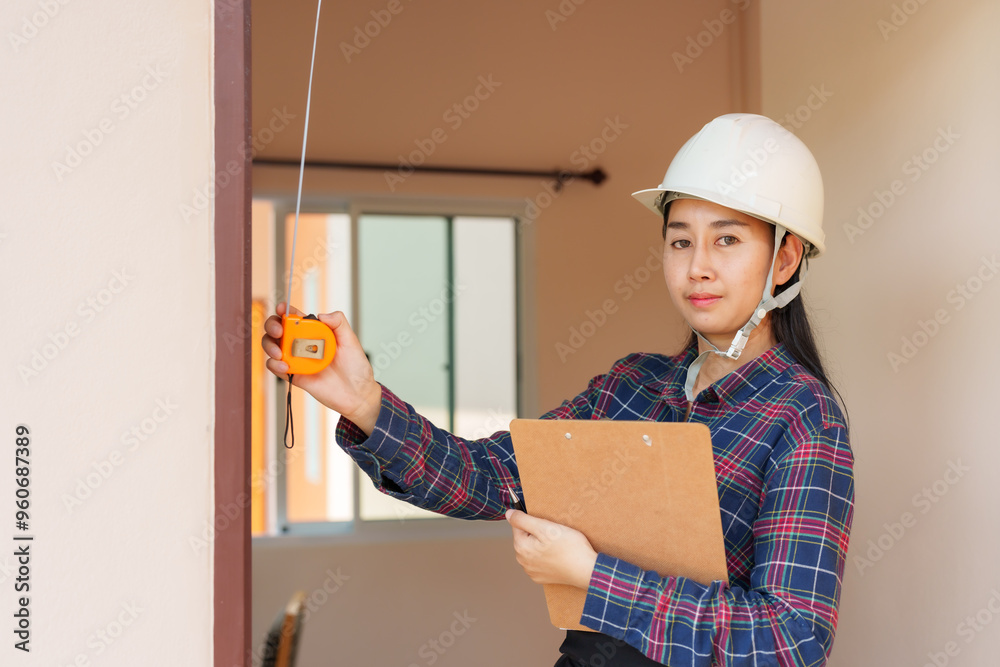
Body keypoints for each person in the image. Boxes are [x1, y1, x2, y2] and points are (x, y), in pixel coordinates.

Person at [261, 113, 855, 666]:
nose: (697, 266)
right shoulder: (631, 387)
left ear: (784, 261)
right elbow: (488, 477)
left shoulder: (804, 418)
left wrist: (595, 579)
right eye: (680, 240)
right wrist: (363, 400)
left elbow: (791, 638)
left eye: (727, 240)